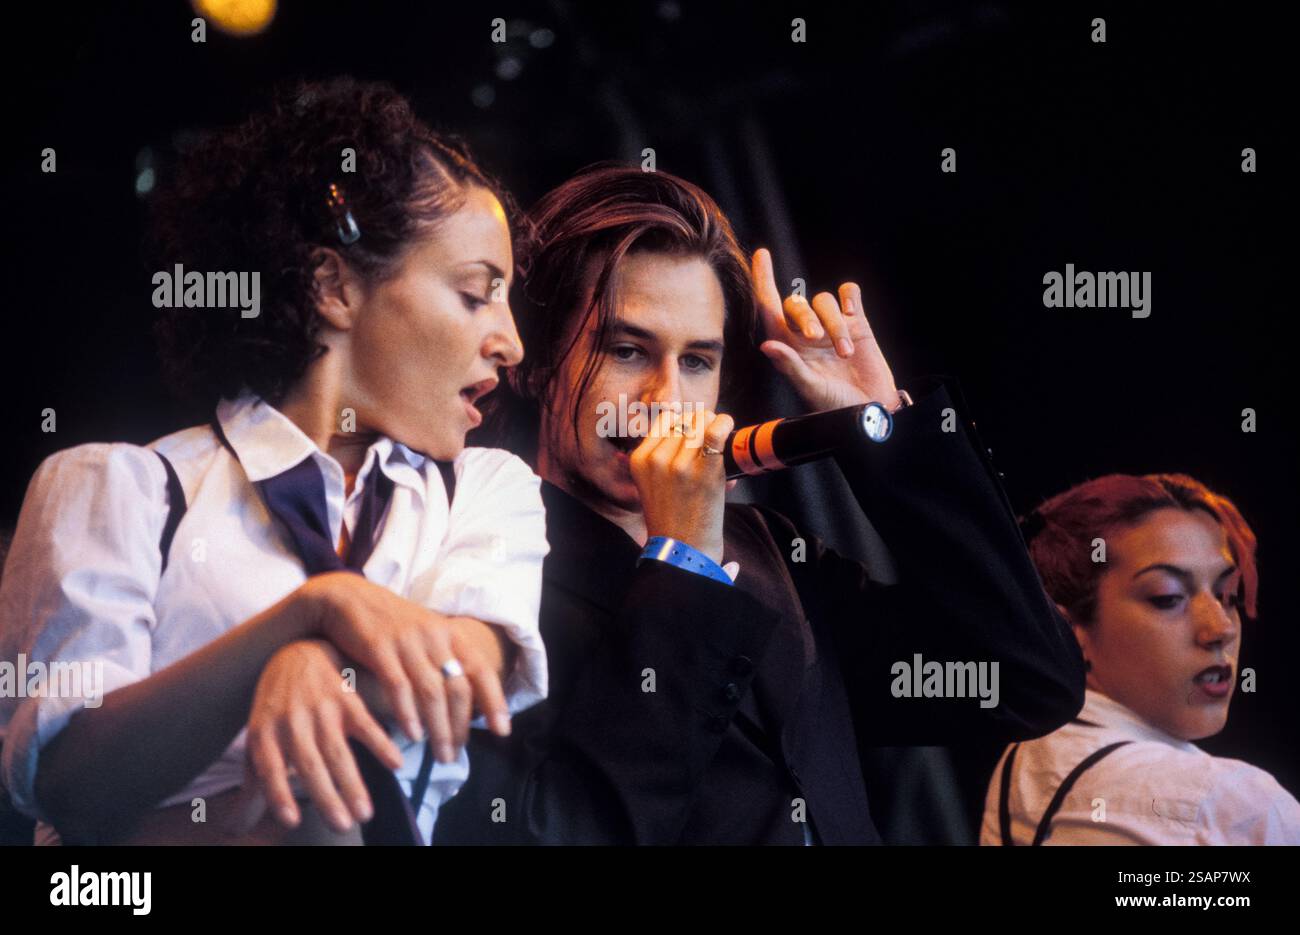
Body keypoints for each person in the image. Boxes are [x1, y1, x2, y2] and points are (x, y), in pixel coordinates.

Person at [431, 163, 1086, 844]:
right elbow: (556, 831)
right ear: (537, 366)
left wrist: (885, 431)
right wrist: (681, 565)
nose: (667, 402)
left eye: (697, 362)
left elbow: (1025, 679)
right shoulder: (488, 567)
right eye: (628, 351)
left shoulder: (770, 549)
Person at [0, 78, 548, 845]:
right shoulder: (121, 490)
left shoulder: (485, 490)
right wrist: (300, 621)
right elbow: (71, 787)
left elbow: (461, 674)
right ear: (333, 286)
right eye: (475, 294)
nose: (511, 341)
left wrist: (310, 665)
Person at [983, 473, 1300, 845]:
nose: (1221, 629)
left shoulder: (1021, 765)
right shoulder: (1232, 804)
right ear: (1068, 631)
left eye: (1227, 596)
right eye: (1167, 598)